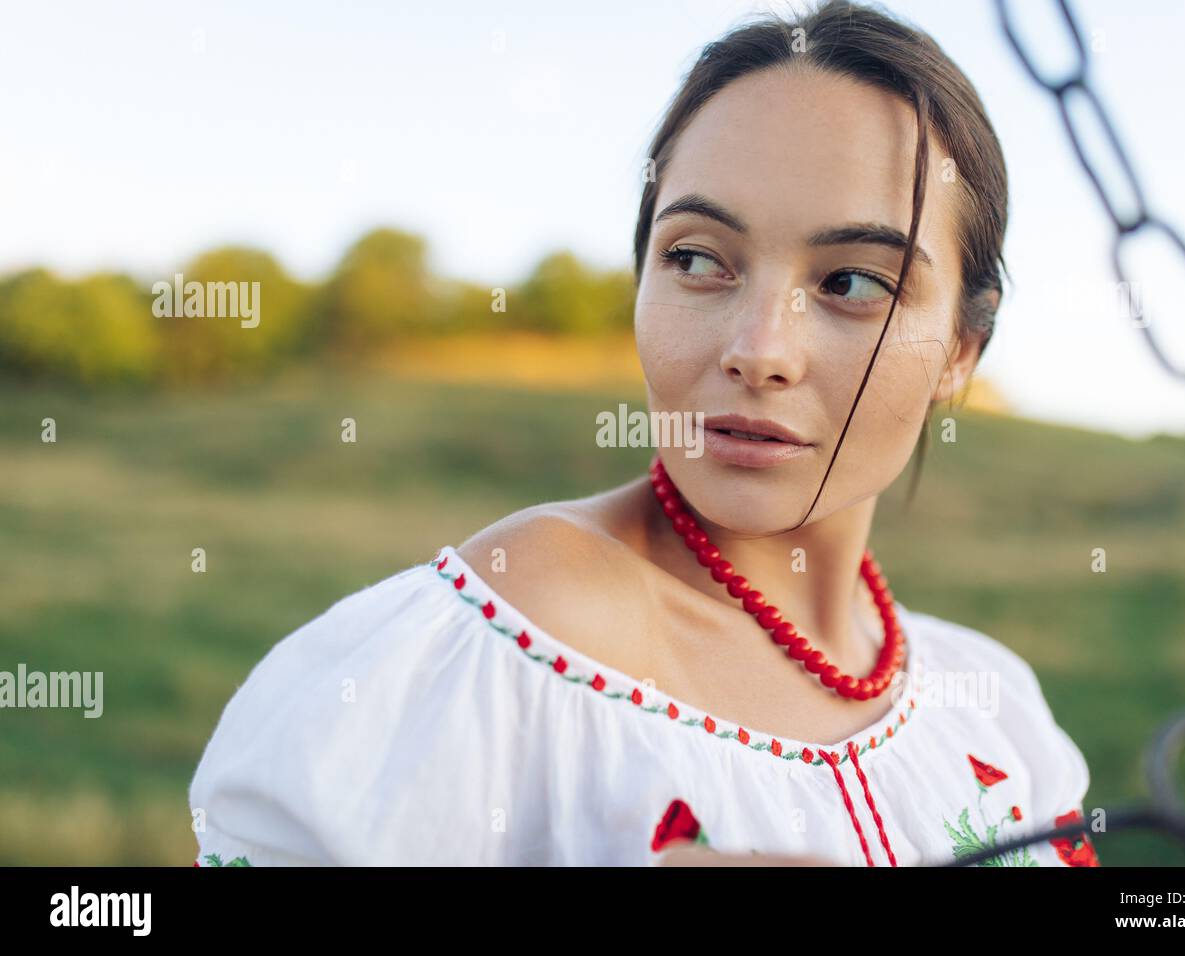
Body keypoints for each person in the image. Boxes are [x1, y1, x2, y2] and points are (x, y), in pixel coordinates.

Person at [189, 0, 1099, 867]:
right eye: (699, 260)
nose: (759, 351)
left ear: (959, 353)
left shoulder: (991, 705)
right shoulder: (518, 634)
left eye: (852, 282)